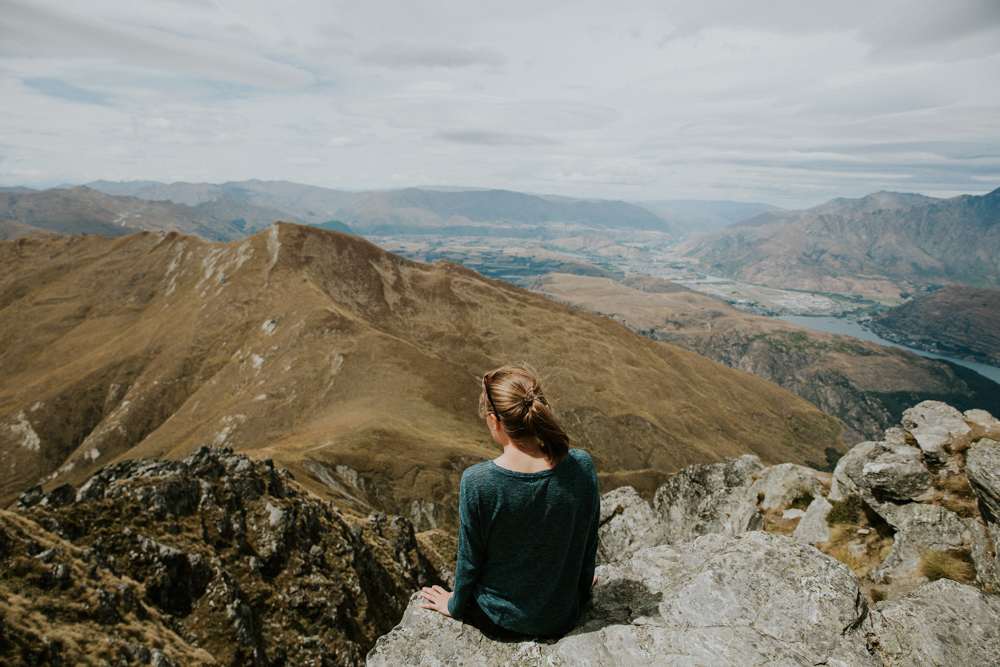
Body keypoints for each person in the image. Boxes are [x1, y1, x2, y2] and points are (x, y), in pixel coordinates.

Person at [419, 364, 600, 639]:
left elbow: (470, 563)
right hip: (562, 616)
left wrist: (455, 605)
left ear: (495, 421)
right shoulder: (581, 466)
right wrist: (581, 592)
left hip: (498, 621)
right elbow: (588, 542)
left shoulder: (478, 482)